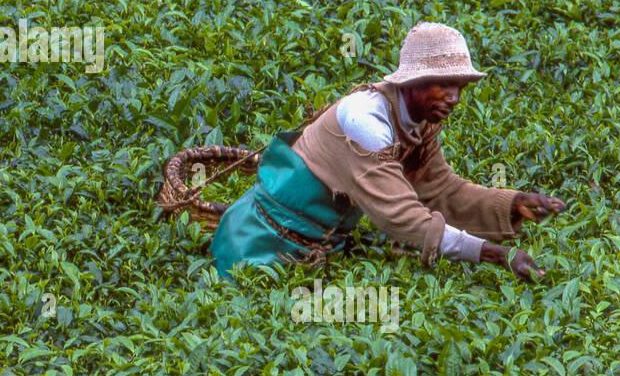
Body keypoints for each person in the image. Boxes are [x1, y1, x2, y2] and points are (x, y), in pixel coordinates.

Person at [211, 22, 566, 280]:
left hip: (323, 245)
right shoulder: (365, 123)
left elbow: (439, 190)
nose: (454, 98)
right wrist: (496, 255)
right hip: (259, 248)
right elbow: (401, 216)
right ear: (411, 83)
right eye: (443, 85)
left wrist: (513, 203)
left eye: (459, 87)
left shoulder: (420, 121)